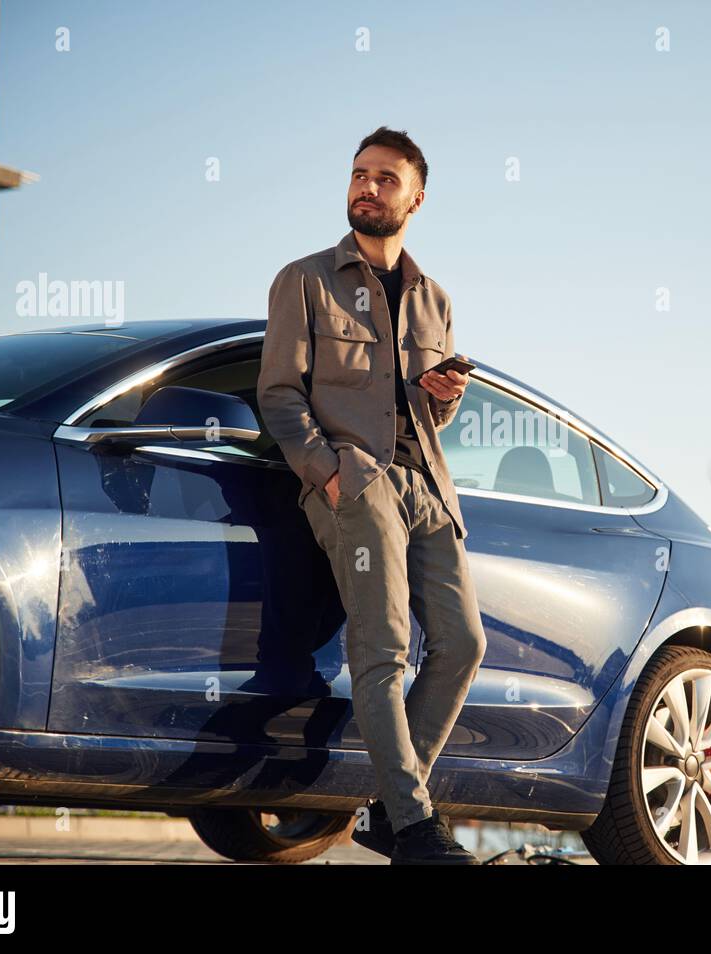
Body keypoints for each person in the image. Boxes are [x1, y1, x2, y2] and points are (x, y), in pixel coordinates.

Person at [257, 126, 487, 865]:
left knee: (463, 644)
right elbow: (279, 394)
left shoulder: (435, 298)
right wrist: (328, 472)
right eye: (359, 174)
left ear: (416, 197)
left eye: (386, 178)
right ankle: (416, 825)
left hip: (429, 485)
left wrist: (442, 395)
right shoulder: (306, 281)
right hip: (355, 481)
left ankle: (390, 813)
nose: (367, 186)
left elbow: (430, 414)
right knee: (383, 648)